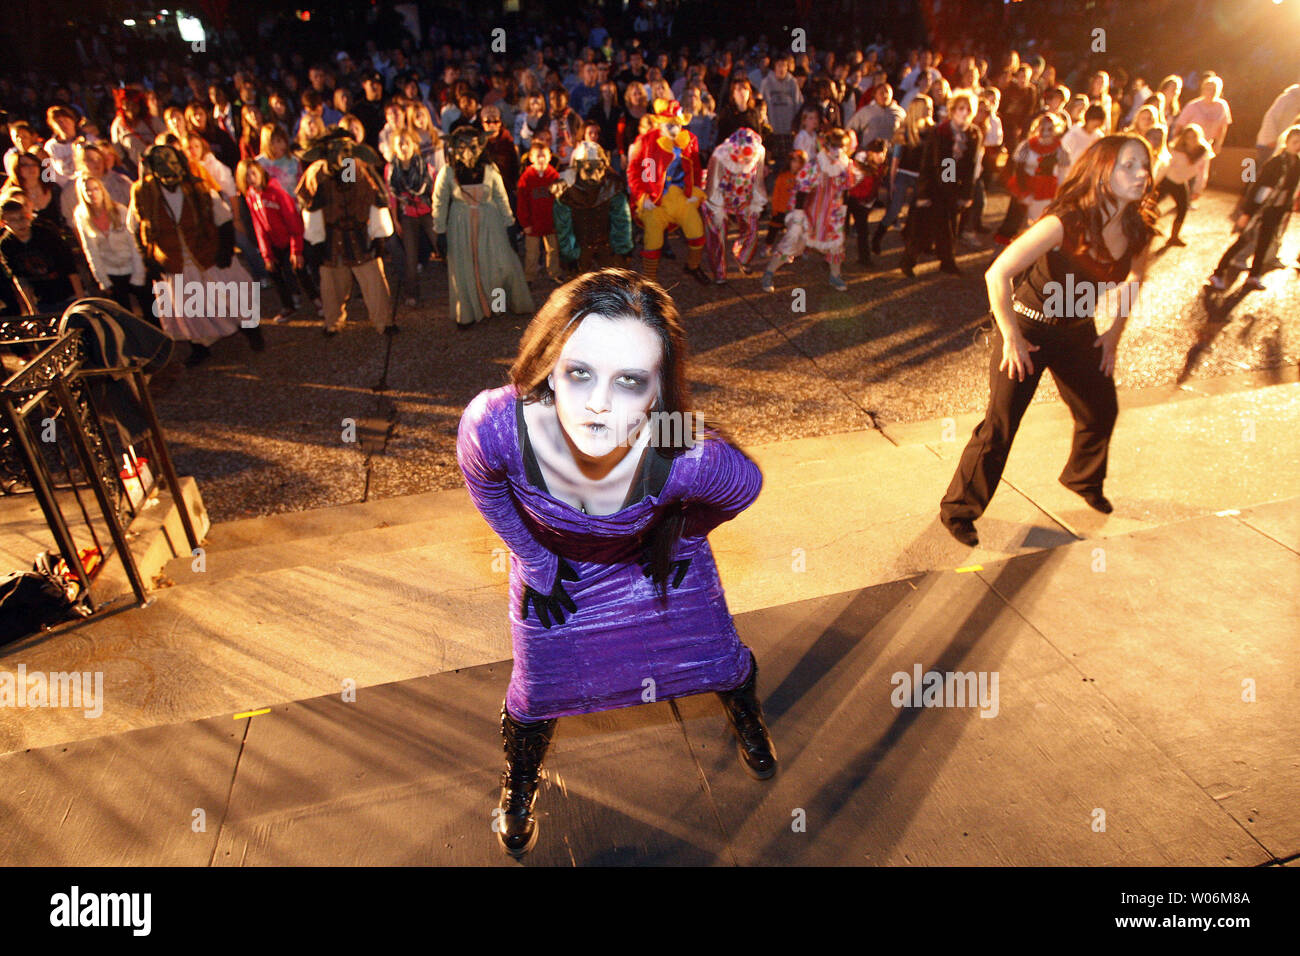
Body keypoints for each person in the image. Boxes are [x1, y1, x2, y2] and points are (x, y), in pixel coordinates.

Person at [455, 268, 776, 858]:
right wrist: (535, 559)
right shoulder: (498, 426)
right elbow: (486, 487)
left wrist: (680, 544)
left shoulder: (684, 454)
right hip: (559, 574)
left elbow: (744, 486)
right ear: (548, 363)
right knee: (537, 690)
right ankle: (522, 784)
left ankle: (748, 719)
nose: (599, 404)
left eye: (629, 380)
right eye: (579, 372)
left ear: (660, 390)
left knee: (718, 658)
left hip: (656, 568)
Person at [940, 134, 1158, 546]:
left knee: (1100, 409)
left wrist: (1113, 334)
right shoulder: (1064, 222)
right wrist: (1012, 339)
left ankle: (1083, 479)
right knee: (1000, 426)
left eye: (1143, 164)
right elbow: (997, 274)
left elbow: (1135, 279)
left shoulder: (1137, 228)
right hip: (1029, 328)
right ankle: (958, 510)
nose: (1141, 173)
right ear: (1101, 170)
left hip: (1078, 331)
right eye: (1128, 165)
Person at [127, 143, 263, 365]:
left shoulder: (199, 189)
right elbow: (135, 227)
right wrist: (147, 259)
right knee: (187, 310)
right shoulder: (143, 194)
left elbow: (223, 220)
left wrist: (225, 250)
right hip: (174, 261)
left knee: (230, 299)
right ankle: (199, 346)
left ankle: (252, 332)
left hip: (207, 255)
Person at [296, 130, 396, 336]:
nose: (341, 156)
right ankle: (332, 322)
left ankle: (383, 322)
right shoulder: (317, 173)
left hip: (358, 235)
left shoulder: (354, 168)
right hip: (331, 238)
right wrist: (314, 241)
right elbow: (310, 208)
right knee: (332, 284)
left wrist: (378, 236)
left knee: (373, 279)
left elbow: (373, 199)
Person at [432, 126, 533, 329]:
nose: (468, 151)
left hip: (490, 223)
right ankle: (467, 313)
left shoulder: (489, 169)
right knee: (464, 269)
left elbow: (500, 196)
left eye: (473, 145)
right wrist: (440, 230)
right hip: (460, 225)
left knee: (499, 266)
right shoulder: (448, 171)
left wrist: (509, 223)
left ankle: (498, 306)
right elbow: (440, 201)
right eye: (462, 146)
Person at [760, 127, 860, 293]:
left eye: (841, 146)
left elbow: (846, 188)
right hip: (808, 211)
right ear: (826, 146)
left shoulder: (846, 165)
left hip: (831, 212)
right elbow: (802, 189)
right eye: (834, 146)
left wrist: (843, 211)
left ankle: (835, 275)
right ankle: (769, 272)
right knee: (793, 242)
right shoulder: (816, 164)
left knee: (835, 243)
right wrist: (798, 215)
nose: (838, 151)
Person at [1207, 125, 1300, 292]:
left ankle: (1253, 276)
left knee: (1263, 244)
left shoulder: (1297, 163)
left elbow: (1291, 190)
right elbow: (1258, 187)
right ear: (1286, 142)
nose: (1298, 146)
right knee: (1242, 241)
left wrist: (1285, 210)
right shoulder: (1276, 162)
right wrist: (1248, 212)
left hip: (1276, 210)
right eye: (1295, 142)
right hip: (1260, 209)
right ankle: (1218, 273)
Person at [627, 98, 709, 284]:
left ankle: (692, 267)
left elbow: (696, 168)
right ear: (660, 122)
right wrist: (642, 196)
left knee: (697, 234)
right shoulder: (646, 141)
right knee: (653, 242)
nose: (675, 128)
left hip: (681, 196)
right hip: (656, 200)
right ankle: (649, 281)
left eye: (677, 123)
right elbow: (633, 171)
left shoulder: (689, 139)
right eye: (670, 124)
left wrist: (696, 191)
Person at [903, 90, 981, 276]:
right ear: (953, 110)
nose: (964, 113)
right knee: (924, 228)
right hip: (934, 186)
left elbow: (970, 165)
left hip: (953, 185)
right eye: (961, 109)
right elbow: (930, 163)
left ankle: (946, 261)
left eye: (968, 109)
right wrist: (923, 193)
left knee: (948, 227)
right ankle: (909, 261)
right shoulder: (941, 131)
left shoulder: (972, 133)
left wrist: (965, 194)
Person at [238, 159, 307, 322]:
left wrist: (296, 248)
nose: (251, 179)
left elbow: (292, 219)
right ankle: (288, 305)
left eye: (253, 173)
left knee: (299, 270)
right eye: (246, 176)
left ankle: (316, 300)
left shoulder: (277, 192)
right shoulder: (251, 196)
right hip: (272, 242)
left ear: (261, 172)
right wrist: (266, 254)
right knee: (274, 272)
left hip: (290, 239)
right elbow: (258, 226)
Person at [73, 173, 149, 316]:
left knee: (148, 309)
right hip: (111, 271)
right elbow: (91, 252)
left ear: (102, 190)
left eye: (95, 189)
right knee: (123, 315)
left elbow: (134, 245)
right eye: (87, 190)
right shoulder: (82, 216)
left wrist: (139, 274)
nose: (92, 194)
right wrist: (103, 281)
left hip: (132, 265)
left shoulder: (119, 210)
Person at [552, 141, 634, 273]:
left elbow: (622, 223)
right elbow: (564, 230)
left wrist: (622, 249)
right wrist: (570, 255)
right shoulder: (565, 192)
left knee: (612, 287)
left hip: (607, 247)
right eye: (589, 168)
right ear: (577, 167)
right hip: (579, 249)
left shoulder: (613, 188)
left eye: (599, 167)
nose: (595, 174)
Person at [702, 127, 767, 283]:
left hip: (744, 195)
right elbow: (711, 188)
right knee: (717, 233)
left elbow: (758, 180)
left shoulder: (759, 152)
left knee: (752, 226)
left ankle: (742, 255)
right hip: (719, 196)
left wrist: (757, 203)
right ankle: (719, 271)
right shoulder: (719, 155)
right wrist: (718, 211)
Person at [0, 192, 84, 314]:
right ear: (4, 223)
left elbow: (70, 267)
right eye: (13, 220)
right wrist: (32, 308)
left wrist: (80, 299)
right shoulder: (7, 245)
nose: (20, 223)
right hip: (43, 301)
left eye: (22, 217)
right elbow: (19, 278)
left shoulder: (45, 233)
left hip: (68, 294)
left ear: (29, 216)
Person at [872, 95, 932, 253]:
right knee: (894, 209)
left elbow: (945, 158)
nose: (930, 111)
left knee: (918, 212)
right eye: (927, 108)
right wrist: (892, 181)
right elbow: (896, 159)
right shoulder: (905, 131)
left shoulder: (933, 131)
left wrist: (948, 180)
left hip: (922, 177)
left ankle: (912, 242)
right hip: (904, 174)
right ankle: (878, 236)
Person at [387, 129, 438, 304]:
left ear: (414, 145)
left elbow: (434, 191)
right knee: (410, 255)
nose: (403, 147)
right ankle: (411, 293)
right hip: (408, 215)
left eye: (407, 142)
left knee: (442, 246)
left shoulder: (424, 166)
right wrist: (395, 221)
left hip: (427, 211)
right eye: (399, 143)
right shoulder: (392, 169)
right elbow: (392, 197)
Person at [1154, 124, 1213, 247]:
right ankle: (1145, 227)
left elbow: (1203, 172)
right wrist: (1155, 183)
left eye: (1194, 137)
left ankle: (1174, 237)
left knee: (1183, 208)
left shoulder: (1203, 152)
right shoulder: (1176, 150)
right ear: (1184, 138)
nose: (1191, 140)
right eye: (1188, 137)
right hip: (1167, 180)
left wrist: (1198, 189)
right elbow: (1165, 167)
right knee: (1152, 203)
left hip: (1181, 182)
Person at [516, 142, 562, 283]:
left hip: (550, 221)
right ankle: (529, 276)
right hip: (533, 222)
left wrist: (558, 221)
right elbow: (522, 203)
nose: (541, 159)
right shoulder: (527, 177)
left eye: (544, 156)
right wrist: (525, 222)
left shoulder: (553, 175)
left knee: (553, 250)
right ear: (531, 158)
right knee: (532, 252)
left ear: (549, 157)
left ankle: (554, 272)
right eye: (538, 156)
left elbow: (559, 201)